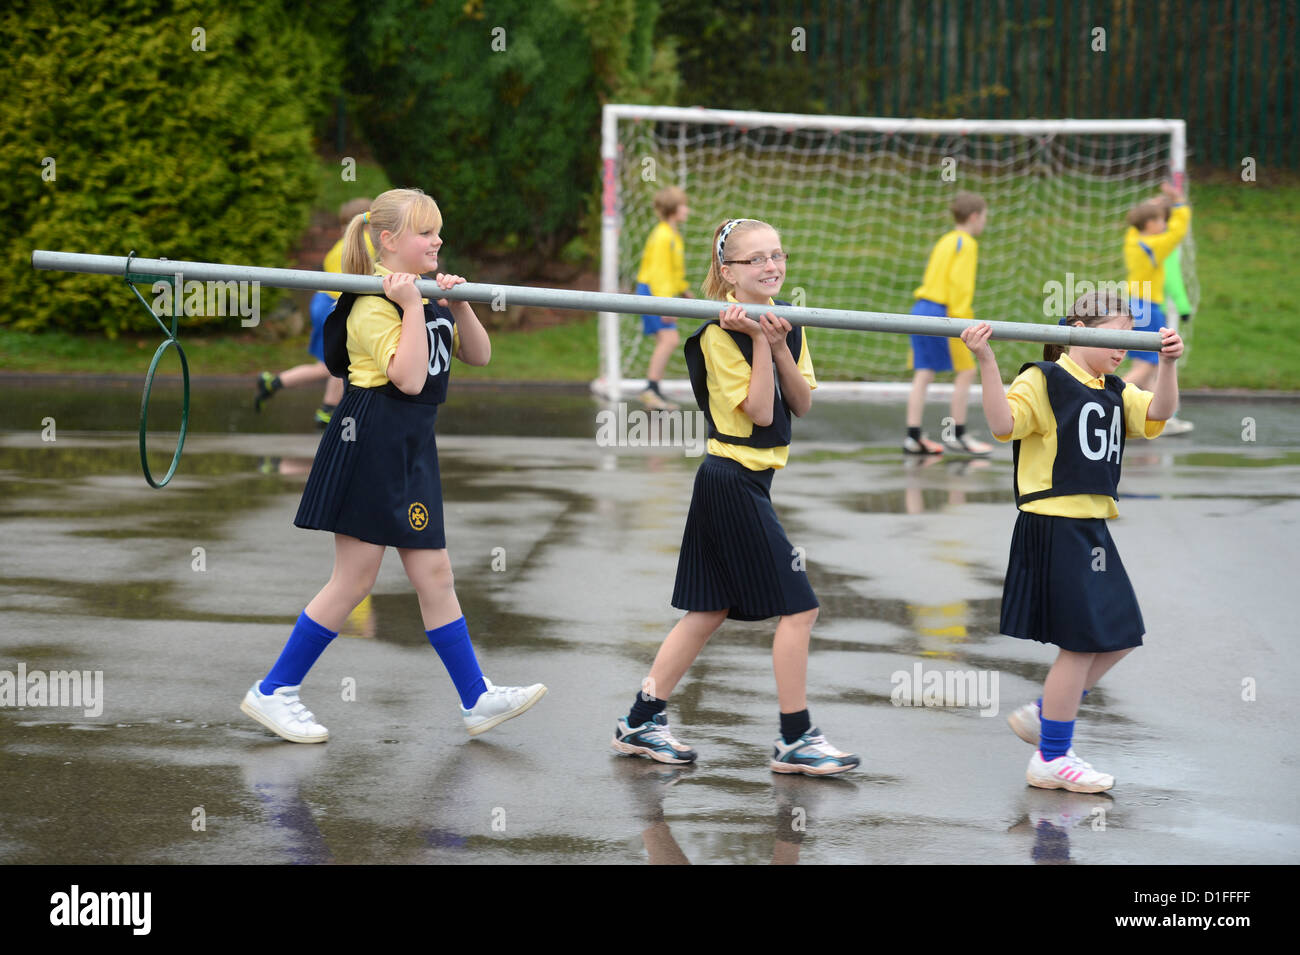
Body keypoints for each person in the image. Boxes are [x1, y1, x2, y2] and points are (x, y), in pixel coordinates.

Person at [240, 188, 546, 743]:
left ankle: (475, 697)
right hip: (369, 441)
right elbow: (406, 378)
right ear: (389, 241)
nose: (438, 240)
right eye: (426, 232)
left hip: (411, 448)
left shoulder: (423, 295)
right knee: (354, 579)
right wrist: (410, 308)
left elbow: (477, 355)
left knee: (436, 574)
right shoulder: (371, 303)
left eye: (438, 231)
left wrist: (459, 304)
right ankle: (274, 690)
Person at [611, 217, 859, 776]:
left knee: (708, 610)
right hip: (731, 478)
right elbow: (762, 412)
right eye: (756, 259)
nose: (772, 266)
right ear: (728, 274)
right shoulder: (716, 336)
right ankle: (795, 737)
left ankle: (641, 720)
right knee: (801, 607)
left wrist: (777, 342)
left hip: (750, 480)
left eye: (778, 255)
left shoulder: (785, 325)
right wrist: (758, 344)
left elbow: (800, 403)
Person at [960, 289, 1183, 792]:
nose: (1124, 347)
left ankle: (1047, 715)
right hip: (1055, 522)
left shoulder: (1115, 388)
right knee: (1080, 645)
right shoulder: (1044, 379)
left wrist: (1168, 364)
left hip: (1093, 526)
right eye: (1117, 335)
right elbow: (1001, 425)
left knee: (1122, 633)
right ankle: (1052, 756)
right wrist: (986, 360)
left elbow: (1159, 415)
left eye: (1132, 339)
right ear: (1080, 331)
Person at [254, 198, 374, 428]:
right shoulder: (367, 243)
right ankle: (327, 410)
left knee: (328, 364)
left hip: (324, 302)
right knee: (343, 361)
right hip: (334, 305)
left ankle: (276, 384)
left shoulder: (342, 244)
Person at [902, 192, 994, 457]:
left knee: (924, 371)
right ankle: (958, 433)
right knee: (966, 371)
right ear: (975, 216)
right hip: (943, 313)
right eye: (985, 217)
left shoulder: (946, 240)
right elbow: (959, 287)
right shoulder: (967, 244)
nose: (985, 223)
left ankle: (913, 436)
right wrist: (965, 322)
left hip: (920, 309)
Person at [1121, 183, 1190, 401]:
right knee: (1147, 366)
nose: (1165, 224)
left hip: (1133, 304)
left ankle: (1155, 415)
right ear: (1150, 224)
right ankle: (1105, 399)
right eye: (1161, 220)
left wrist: (1150, 207)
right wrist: (1179, 202)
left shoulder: (1133, 239)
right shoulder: (1156, 245)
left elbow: (1135, 224)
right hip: (1147, 307)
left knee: (1146, 369)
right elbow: (1179, 230)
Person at [634, 186, 692, 410]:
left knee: (666, 340)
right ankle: (650, 390)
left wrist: (683, 289)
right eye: (683, 205)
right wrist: (665, 305)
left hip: (660, 293)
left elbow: (672, 271)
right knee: (670, 340)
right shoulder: (662, 236)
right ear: (673, 209)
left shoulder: (672, 235)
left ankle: (653, 391)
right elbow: (659, 274)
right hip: (652, 293)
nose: (687, 210)